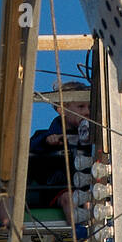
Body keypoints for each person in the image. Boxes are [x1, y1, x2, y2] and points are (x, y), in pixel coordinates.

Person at [27, 84, 91, 224]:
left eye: (89, 107)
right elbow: (30, 150)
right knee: (69, 198)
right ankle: (80, 234)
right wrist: (47, 142)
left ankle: (93, 230)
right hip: (59, 186)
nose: (87, 112)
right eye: (81, 107)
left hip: (89, 185)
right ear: (62, 110)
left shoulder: (94, 138)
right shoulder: (45, 135)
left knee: (90, 197)